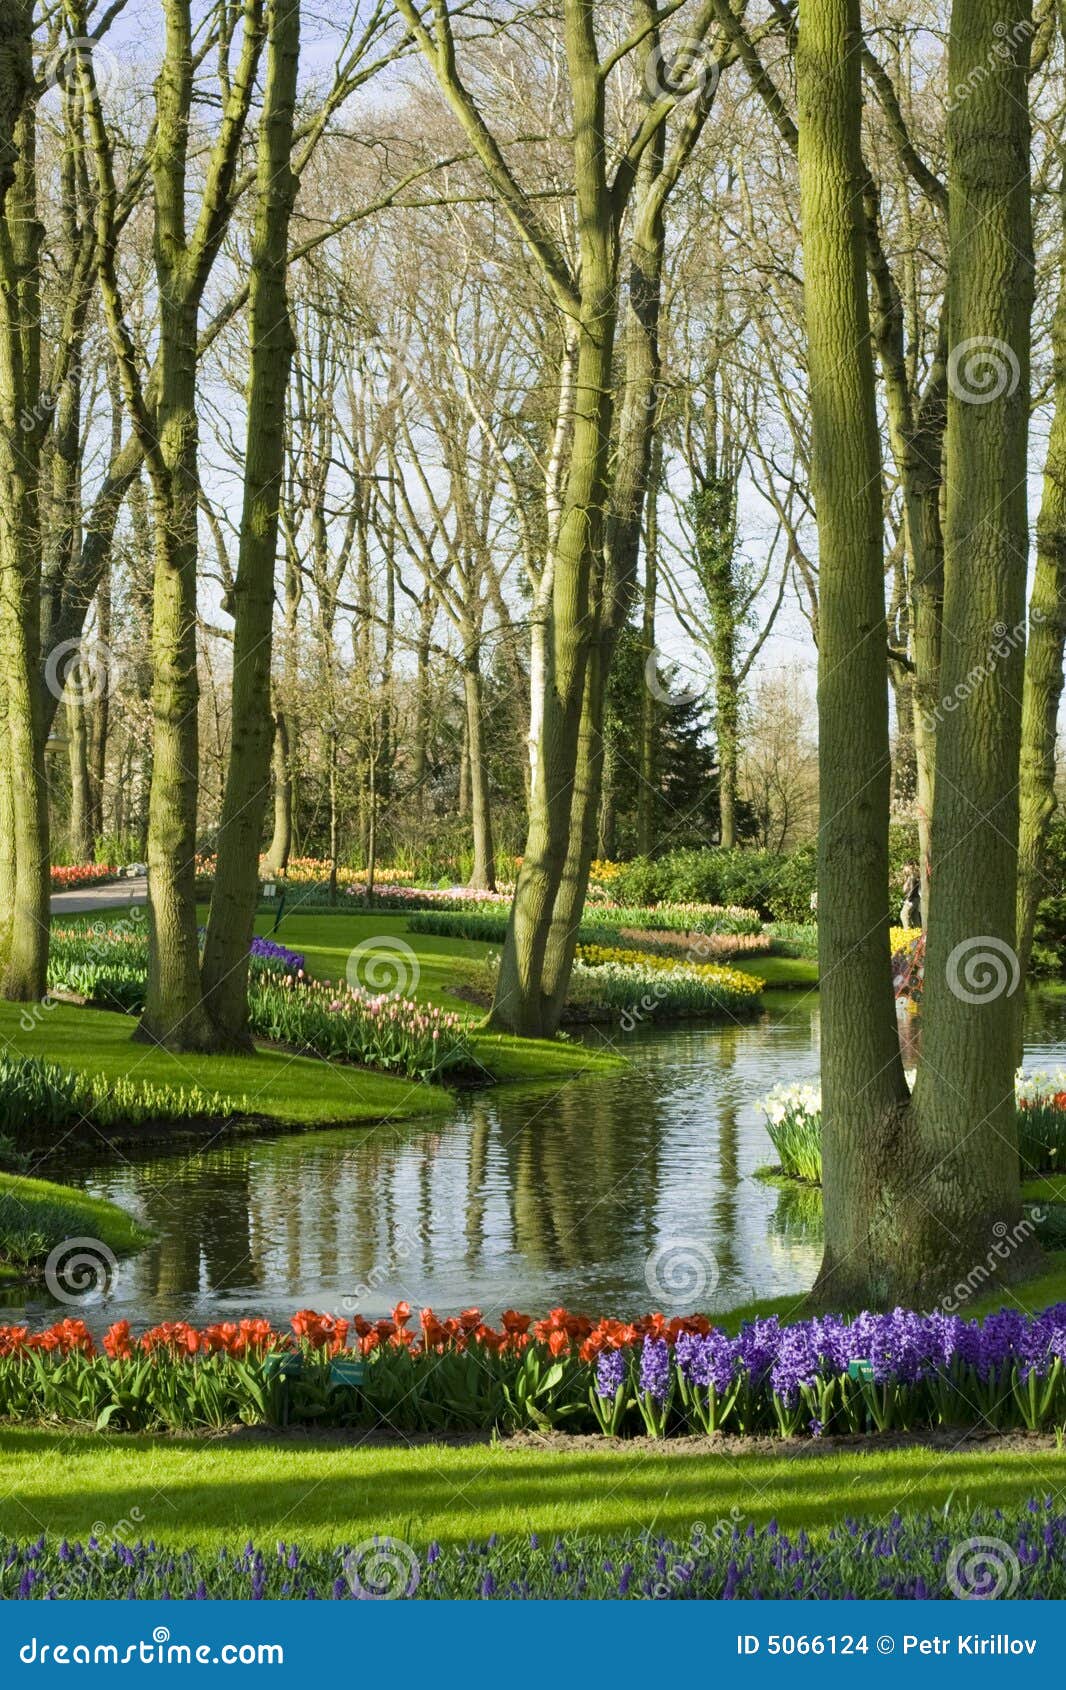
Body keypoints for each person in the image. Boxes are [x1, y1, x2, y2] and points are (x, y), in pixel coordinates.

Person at [899, 862, 921, 930]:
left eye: (904, 868)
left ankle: (907, 932)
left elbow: (912, 889)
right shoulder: (913, 875)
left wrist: (908, 900)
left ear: (908, 867)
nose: (903, 870)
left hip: (912, 899)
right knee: (915, 917)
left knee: (903, 915)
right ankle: (919, 934)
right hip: (916, 899)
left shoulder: (912, 876)